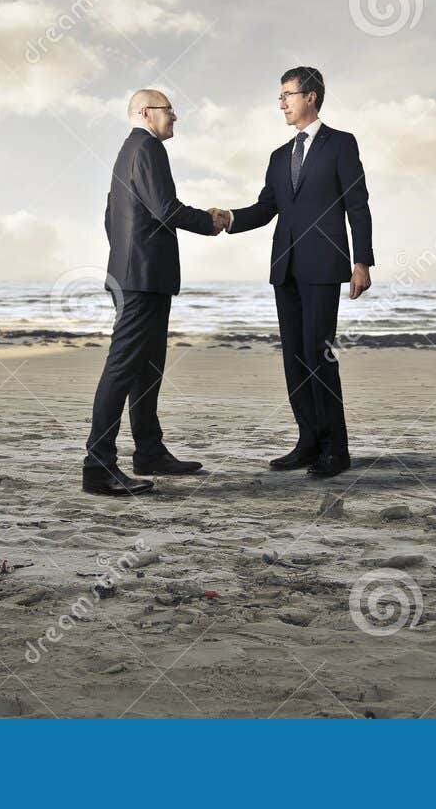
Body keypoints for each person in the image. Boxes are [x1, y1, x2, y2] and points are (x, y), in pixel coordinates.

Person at [209, 66, 373, 479]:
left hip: (323, 266)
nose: (281, 103)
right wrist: (229, 217)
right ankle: (307, 442)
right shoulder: (279, 156)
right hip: (286, 268)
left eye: (288, 94)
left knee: (319, 356)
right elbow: (267, 209)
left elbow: (358, 204)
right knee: (295, 360)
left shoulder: (341, 144)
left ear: (311, 97)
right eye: (280, 96)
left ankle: (337, 449)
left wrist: (362, 261)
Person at [82, 88, 218, 496]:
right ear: (145, 112)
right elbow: (166, 208)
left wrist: (128, 256)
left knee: (148, 367)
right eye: (168, 109)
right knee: (123, 367)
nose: (175, 116)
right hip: (141, 278)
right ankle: (98, 466)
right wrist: (209, 222)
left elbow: (110, 216)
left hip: (136, 274)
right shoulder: (148, 148)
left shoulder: (127, 152)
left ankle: (149, 452)